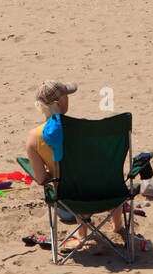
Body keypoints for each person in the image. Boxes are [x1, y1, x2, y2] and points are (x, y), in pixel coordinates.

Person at [25, 80, 126, 249]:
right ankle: (118, 226)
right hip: (110, 192)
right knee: (99, 173)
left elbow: (41, 179)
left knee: (71, 181)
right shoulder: (84, 129)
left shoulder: (33, 137)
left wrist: (55, 173)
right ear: (59, 102)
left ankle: (82, 233)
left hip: (70, 198)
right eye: (67, 96)